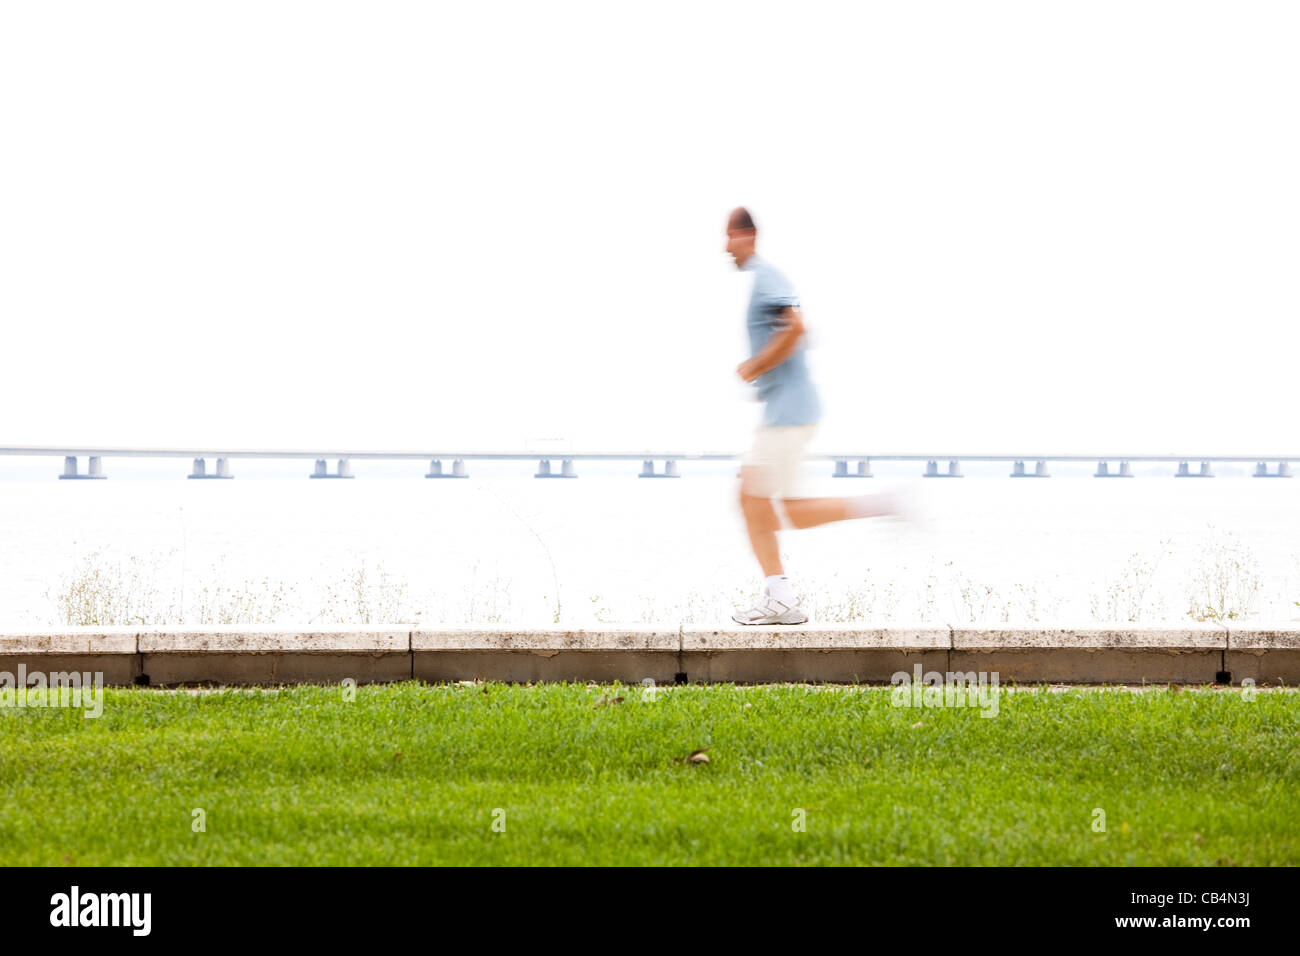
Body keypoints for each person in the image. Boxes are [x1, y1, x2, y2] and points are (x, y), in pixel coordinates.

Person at [726, 206, 899, 624]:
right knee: (760, 504)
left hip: (788, 414)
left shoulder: (766, 276)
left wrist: (756, 367)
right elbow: (797, 334)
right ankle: (780, 597)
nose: (726, 247)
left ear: (746, 235)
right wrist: (767, 375)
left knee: (768, 507)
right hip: (787, 412)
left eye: (729, 236)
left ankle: (880, 504)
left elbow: (797, 327)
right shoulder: (765, 279)